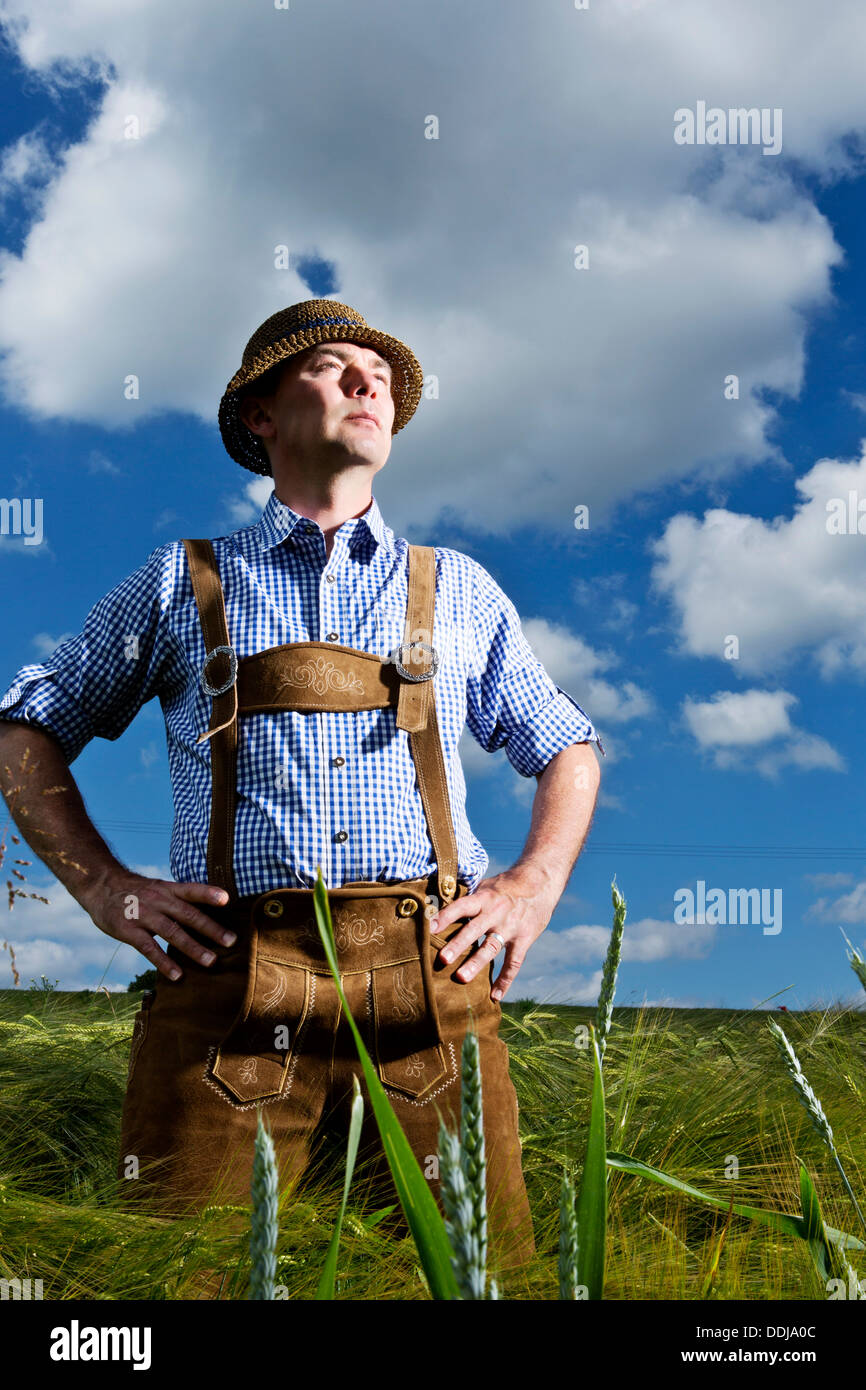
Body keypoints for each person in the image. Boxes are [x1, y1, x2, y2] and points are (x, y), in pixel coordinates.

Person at [0, 298, 603, 1275]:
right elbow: (26, 727)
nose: (369, 384)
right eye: (330, 366)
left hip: (429, 988)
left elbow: (566, 744)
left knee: (468, 1284)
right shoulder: (183, 581)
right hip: (231, 987)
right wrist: (106, 888)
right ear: (260, 416)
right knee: (172, 1280)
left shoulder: (456, 588)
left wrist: (531, 884)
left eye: (381, 375)